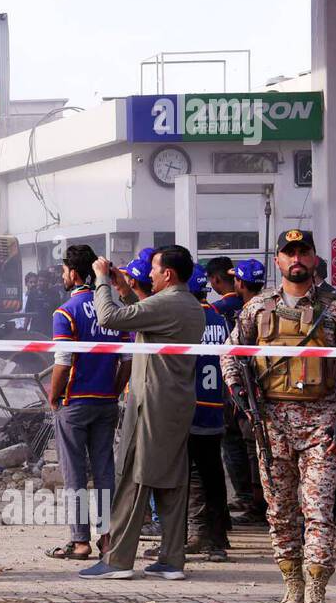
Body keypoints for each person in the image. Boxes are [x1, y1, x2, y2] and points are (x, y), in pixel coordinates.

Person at [221, 229, 336, 603]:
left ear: (314, 259)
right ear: (279, 261)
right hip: (271, 426)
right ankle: (292, 589)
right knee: (280, 512)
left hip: (321, 422)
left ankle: (316, 592)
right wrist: (239, 392)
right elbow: (231, 354)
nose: (296, 258)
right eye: (289, 253)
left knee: (318, 509)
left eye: (304, 252)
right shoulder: (257, 308)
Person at [79, 245, 207, 581]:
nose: (148, 275)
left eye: (153, 269)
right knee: (172, 480)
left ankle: (118, 559)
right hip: (177, 401)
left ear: (168, 274)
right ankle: (172, 559)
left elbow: (108, 318)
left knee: (133, 476)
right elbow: (148, 318)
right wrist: (125, 287)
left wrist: (102, 281)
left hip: (151, 402)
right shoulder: (189, 304)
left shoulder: (167, 302)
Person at [45, 244, 126, 562]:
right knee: (105, 470)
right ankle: (107, 538)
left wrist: (54, 396)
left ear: (74, 274)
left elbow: (63, 361)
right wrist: (115, 389)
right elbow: (128, 359)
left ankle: (80, 541)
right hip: (106, 401)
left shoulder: (66, 312)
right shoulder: (112, 308)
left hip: (74, 403)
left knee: (74, 472)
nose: (62, 276)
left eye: (64, 270)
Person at [183, 264, 233, 562]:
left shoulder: (187, 320)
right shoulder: (219, 319)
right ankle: (217, 540)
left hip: (190, 409)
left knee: (189, 476)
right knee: (214, 475)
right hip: (215, 408)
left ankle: (192, 535)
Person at [223, 258, 268, 519]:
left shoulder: (251, 312)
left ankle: (258, 506)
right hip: (264, 390)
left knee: (255, 450)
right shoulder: (273, 306)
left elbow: (233, 353)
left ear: (240, 283)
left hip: (255, 391)